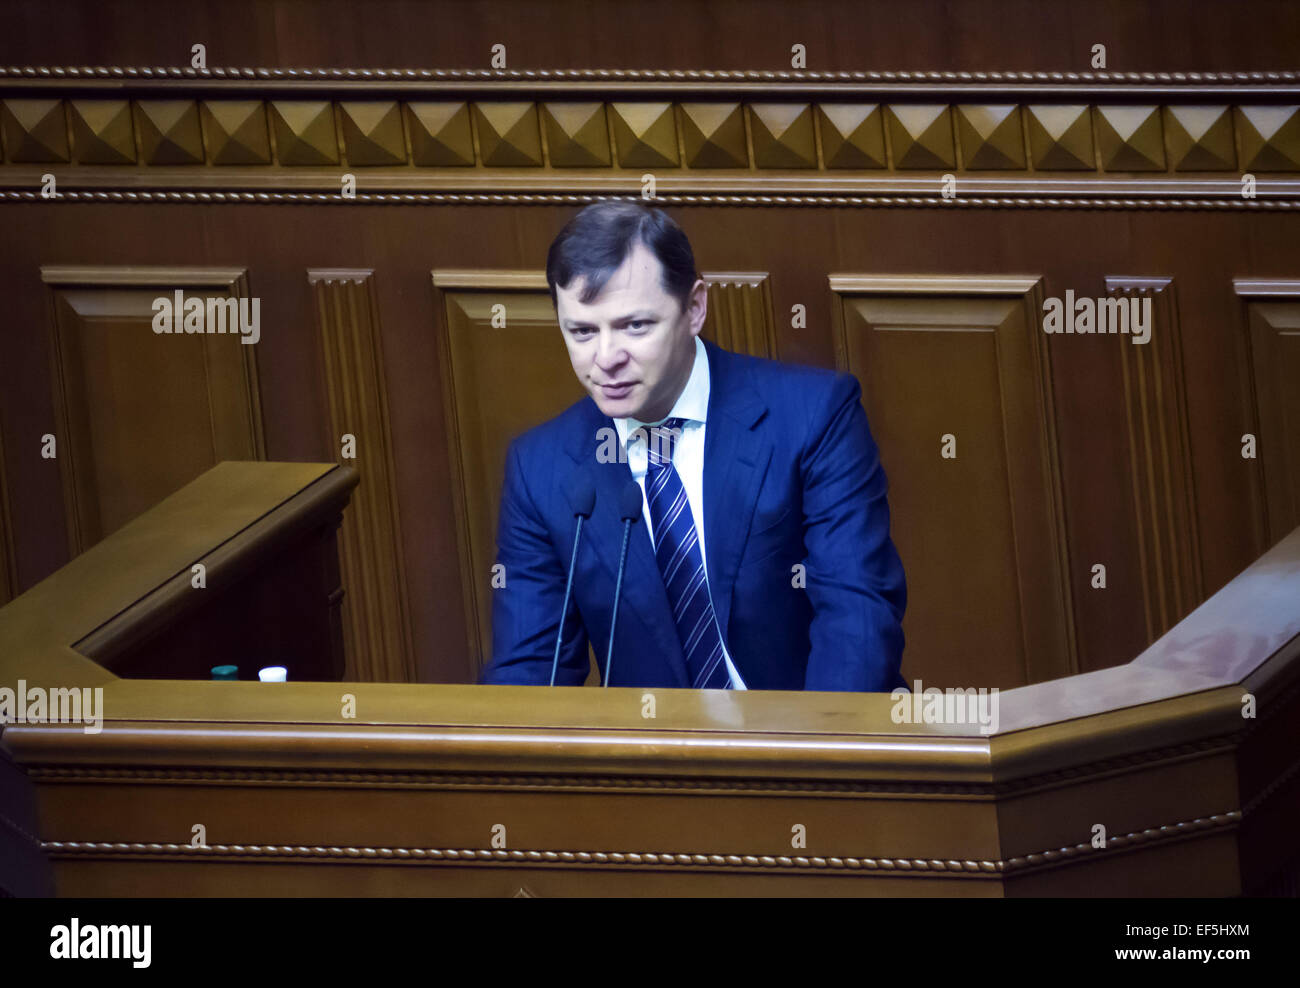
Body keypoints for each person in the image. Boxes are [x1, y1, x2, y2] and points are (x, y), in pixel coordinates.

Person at [481, 200, 906, 691]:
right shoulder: (542, 468)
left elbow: (859, 623)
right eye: (581, 331)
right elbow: (530, 671)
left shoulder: (812, 416)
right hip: (653, 758)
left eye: (634, 326)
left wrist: (806, 761)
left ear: (695, 308)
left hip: (813, 746)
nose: (605, 358)